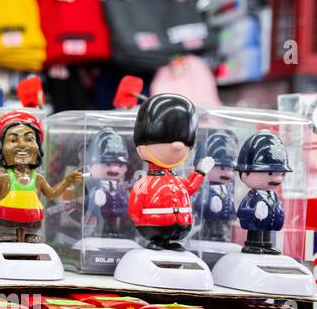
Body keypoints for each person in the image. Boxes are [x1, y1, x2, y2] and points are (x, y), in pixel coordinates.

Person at [0, 110, 81, 245]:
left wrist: (66, 182)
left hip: (32, 221)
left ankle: (28, 238)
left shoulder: (38, 179)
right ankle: (11, 237)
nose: (23, 145)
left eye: (29, 139)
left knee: (31, 238)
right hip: (8, 221)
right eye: (13, 140)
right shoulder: (5, 177)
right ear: (1, 149)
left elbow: (52, 193)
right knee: (9, 238)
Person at [127, 93, 214, 251]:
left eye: (184, 142)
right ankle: (157, 241)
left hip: (180, 223)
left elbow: (188, 188)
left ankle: (171, 242)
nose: (177, 146)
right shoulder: (145, 183)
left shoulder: (176, 180)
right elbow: (136, 202)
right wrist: (137, 219)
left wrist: (200, 172)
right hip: (152, 224)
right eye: (166, 140)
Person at [235, 131, 292, 255]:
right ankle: (253, 243)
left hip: (268, 224)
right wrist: (254, 212)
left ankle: (266, 244)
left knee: (267, 232)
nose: (277, 179)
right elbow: (241, 211)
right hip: (254, 226)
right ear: (244, 174)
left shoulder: (273, 196)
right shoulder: (252, 197)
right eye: (270, 173)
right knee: (255, 232)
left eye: (281, 174)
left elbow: (276, 209)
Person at [85, 129, 131, 238]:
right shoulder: (98, 187)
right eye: (108, 163)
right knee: (99, 224)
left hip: (117, 214)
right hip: (100, 214)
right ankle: (99, 231)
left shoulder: (120, 186)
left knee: (114, 225)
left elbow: (125, 200)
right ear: (90, 166)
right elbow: (91, 203)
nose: (114, 169)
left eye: (120, 165)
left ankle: (115, 232)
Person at [192, 129, 237, 241]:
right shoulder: (206, 189)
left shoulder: (227, 189)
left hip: (223, 223)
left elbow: (230, 203)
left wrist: (232, 213)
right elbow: (198, 203)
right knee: (208, 227)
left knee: (221, 229)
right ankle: (208, 233)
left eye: (231, 169)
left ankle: (219, 234)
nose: (227, 173)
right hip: (207, 221)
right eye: (221, 168)